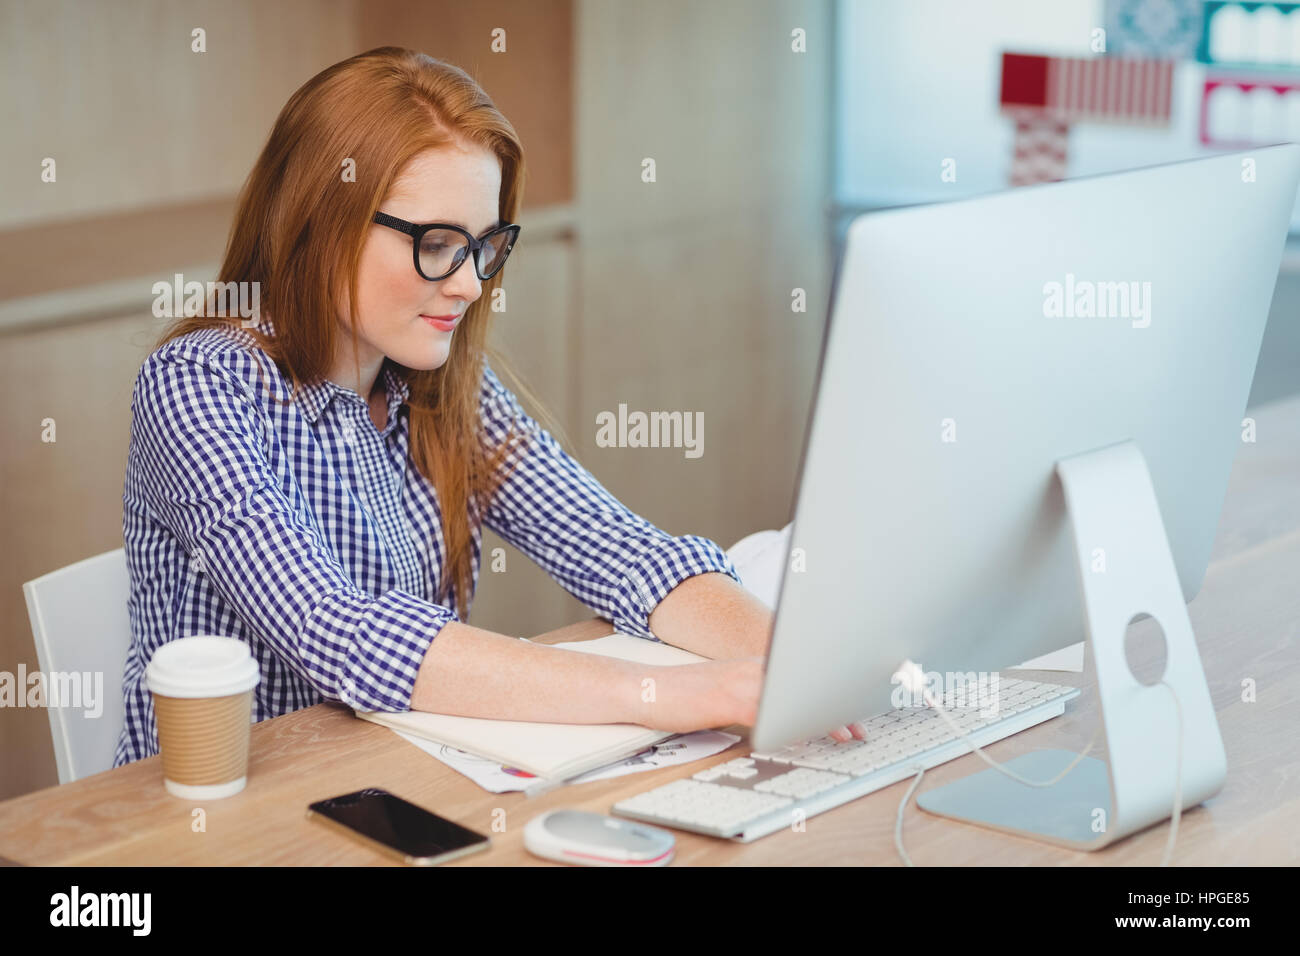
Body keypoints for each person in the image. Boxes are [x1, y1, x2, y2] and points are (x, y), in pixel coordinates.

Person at [114, 47, 864, 766]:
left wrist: (788, 661)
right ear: (318, 223)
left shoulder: (440, 381)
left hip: (395, 777)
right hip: (223, 822)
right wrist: (668, 693)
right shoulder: (199, 385)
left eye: (485, 245)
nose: (471, 285)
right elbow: (337, 630)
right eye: (437, 243)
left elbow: (621, 551)